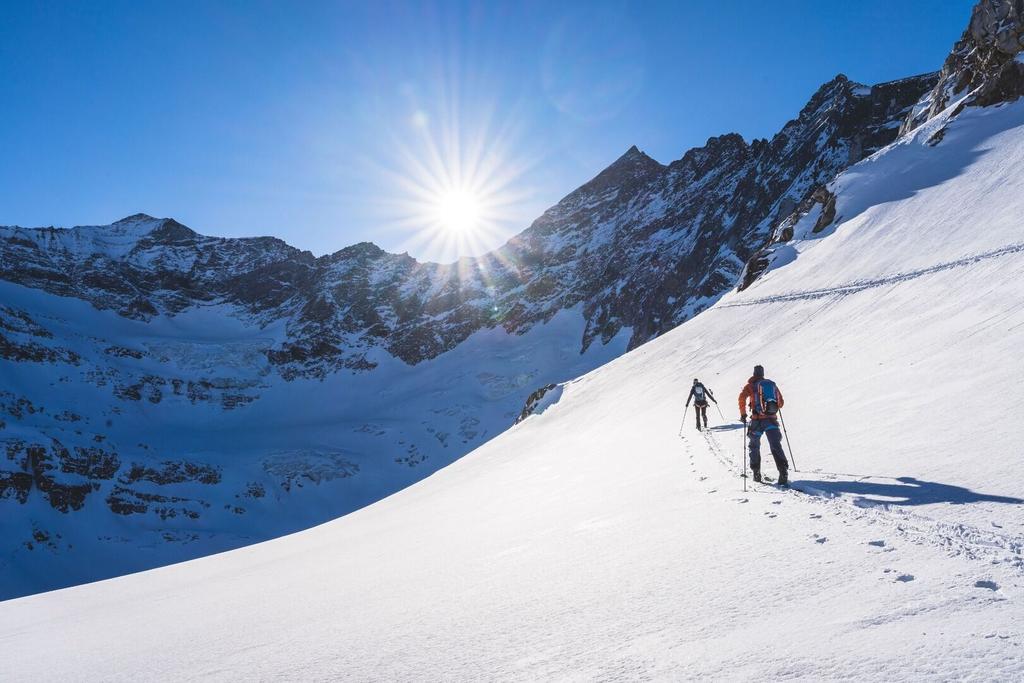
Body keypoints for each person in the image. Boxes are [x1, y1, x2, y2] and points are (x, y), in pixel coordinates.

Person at [738, 365, 789, 485]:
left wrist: (743, 414)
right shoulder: (771, 385)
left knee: (754, 446)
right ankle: (783, 472)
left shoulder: (750, 386)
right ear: (763, 373)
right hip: (771, 420)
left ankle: (756, 473)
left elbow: (741, 398)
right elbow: (780, 403)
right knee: (775, 444)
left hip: (756, 421)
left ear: (754, 373)